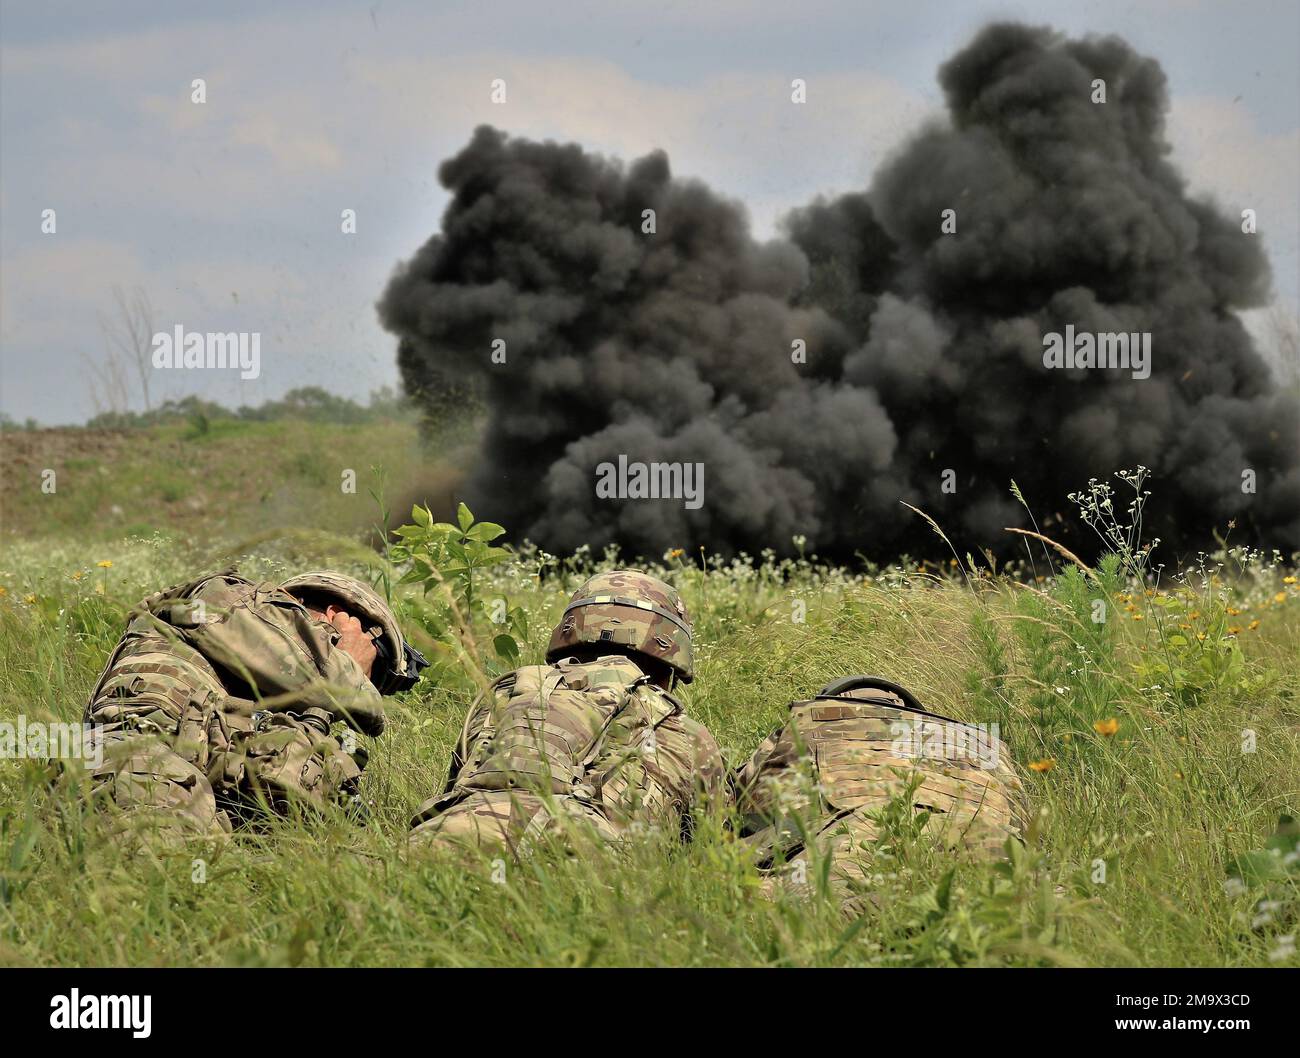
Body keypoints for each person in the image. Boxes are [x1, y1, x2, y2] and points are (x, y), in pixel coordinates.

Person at [79, 568, 426, 840]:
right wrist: (351, 660)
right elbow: (345, 694)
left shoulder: (255, 688)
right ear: (335, 616)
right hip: (141, 770)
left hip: (178, 786)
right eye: (372, 665)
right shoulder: (232, 600)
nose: (368, 677)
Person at [410, 570, 725, 853]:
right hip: (584, 868)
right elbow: (706, 859)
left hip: (443, 843)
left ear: (568, 635)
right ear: (671, 661)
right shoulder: (684, 732)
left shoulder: (506, 695)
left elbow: (457, 790)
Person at [734, 675, 1028, 907]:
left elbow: (745, 808)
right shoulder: (981, 746)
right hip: (987, 841)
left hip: (856, 840)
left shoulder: (806, 726)